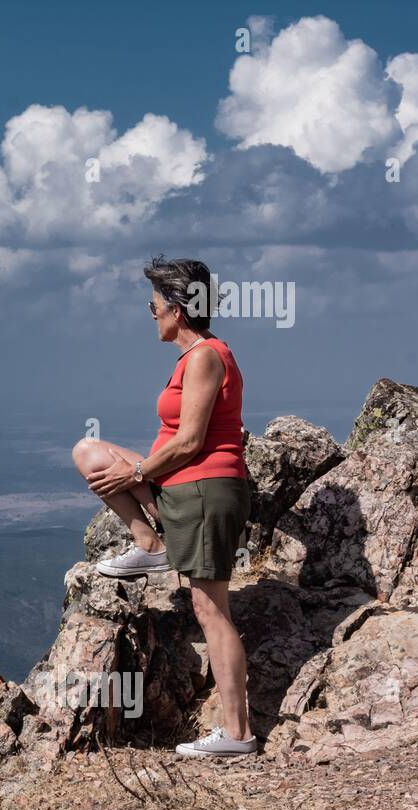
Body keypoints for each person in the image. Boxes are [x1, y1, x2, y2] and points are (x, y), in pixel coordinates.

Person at [71, 256, 256, 758]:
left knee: (210, 608)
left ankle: (238, 734)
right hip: (181, 485)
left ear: (177, 307)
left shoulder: (205, 357)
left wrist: (137, 474)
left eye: (153, 303)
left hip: (205, 489)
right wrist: (141, 474)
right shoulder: (192, 358)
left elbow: (194, 440)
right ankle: (150, 544)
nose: (150, 311)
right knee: (88, 453)